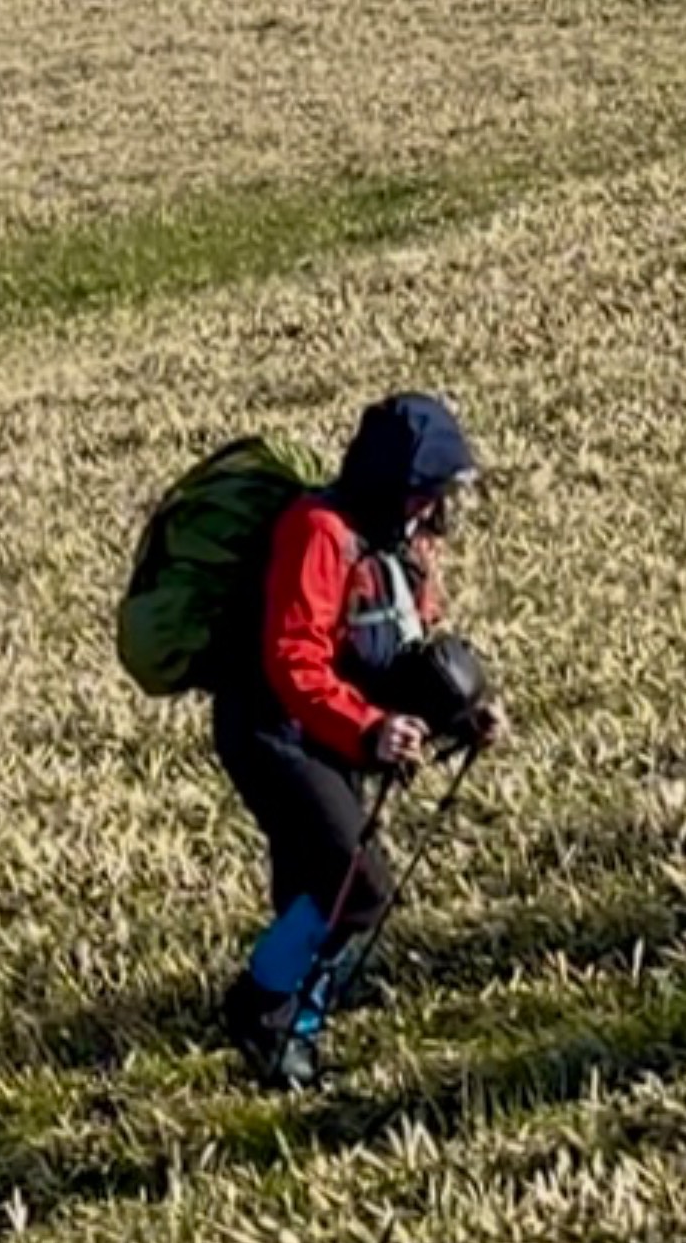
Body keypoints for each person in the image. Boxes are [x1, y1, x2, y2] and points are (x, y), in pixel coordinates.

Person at [205, 396, 507, 1085]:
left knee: (315, 890)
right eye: (428, 490)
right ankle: (258, 1007)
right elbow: (293, 659)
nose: (434, 508)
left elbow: (406, 651)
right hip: (271, 730)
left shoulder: (399, 542)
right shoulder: (318, 530)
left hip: (327, 732)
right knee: (358, 888)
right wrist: (369, 729)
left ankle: (286, 1042)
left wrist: (465, 714)